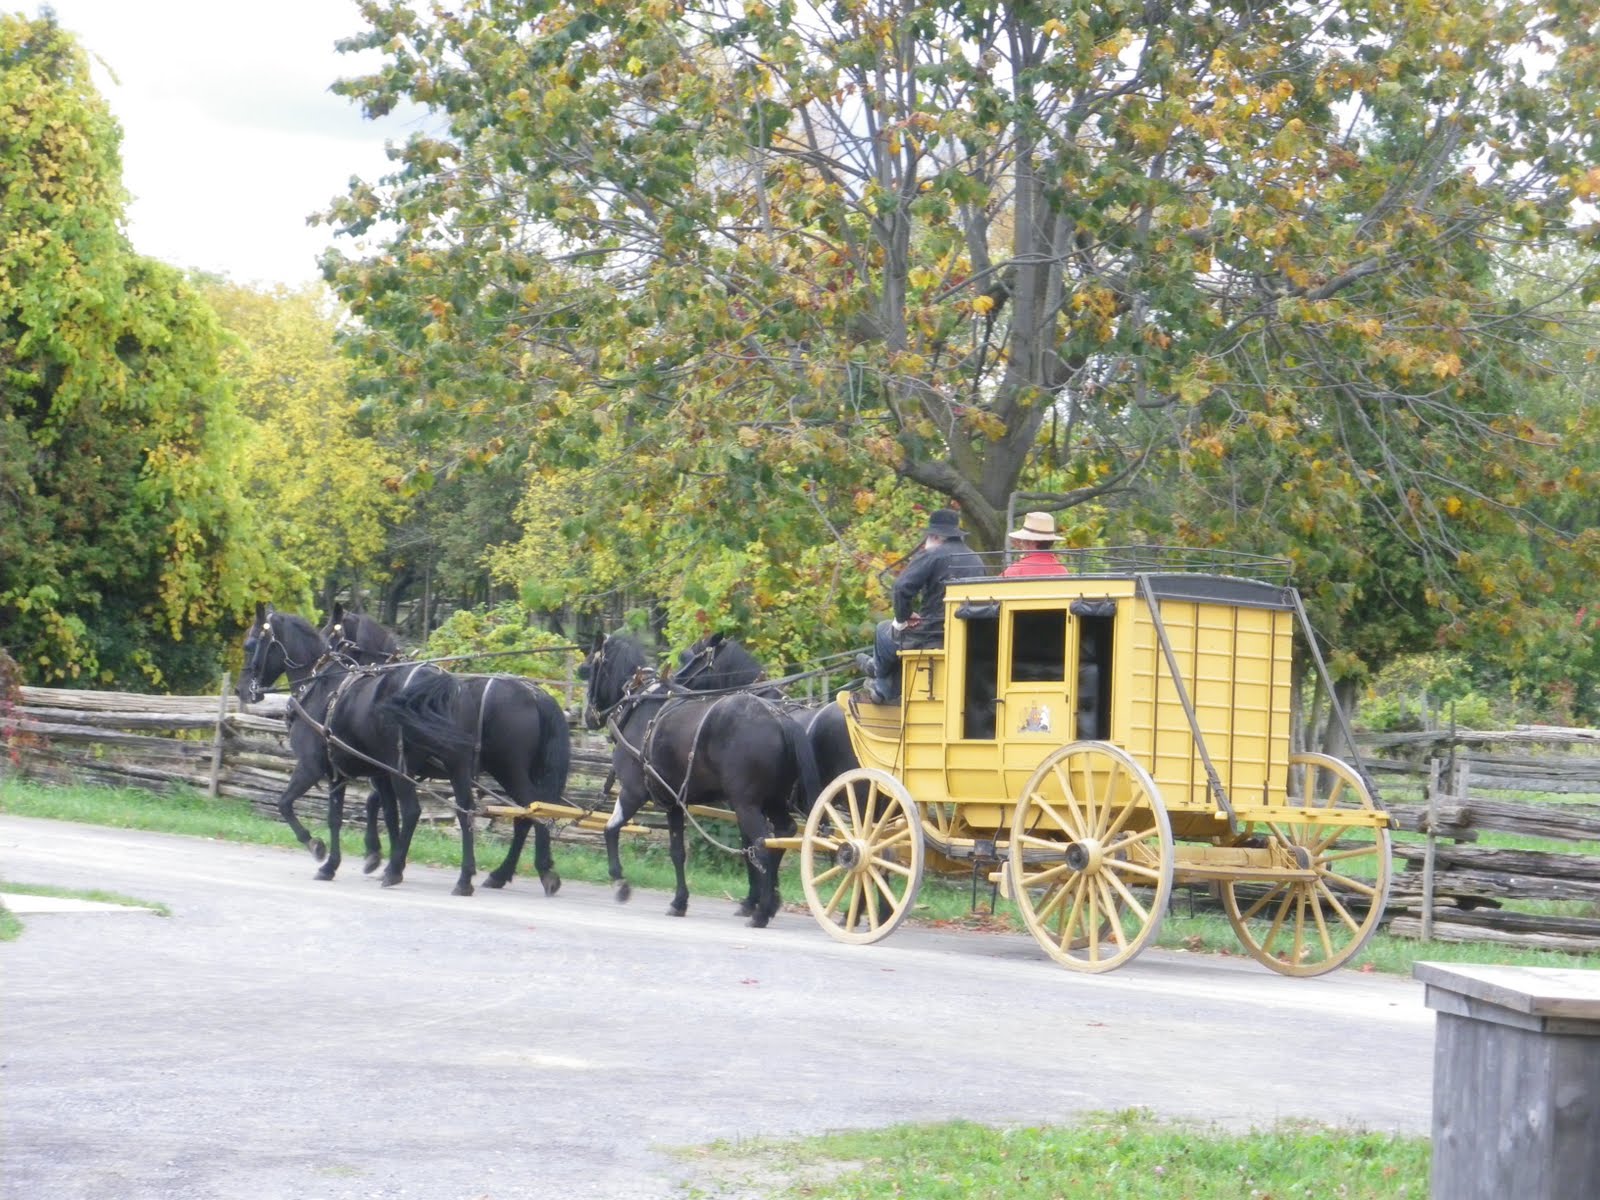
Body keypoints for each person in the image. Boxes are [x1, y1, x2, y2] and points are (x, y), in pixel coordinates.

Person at [857, 508, 985, 703]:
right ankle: (878, 669)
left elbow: (901, 587)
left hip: (932, 634)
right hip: (969, 635)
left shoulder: (933, 555)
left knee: (884, 631)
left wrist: (903, 618)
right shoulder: (976, 559)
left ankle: (880, 684)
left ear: (934, 536)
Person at [1001, 511, 1070, 577]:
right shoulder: (1062, 571)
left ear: (1030, 541)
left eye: (1023, 540)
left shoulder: (1016, 570)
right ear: (1051, 542)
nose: (1022, 542)